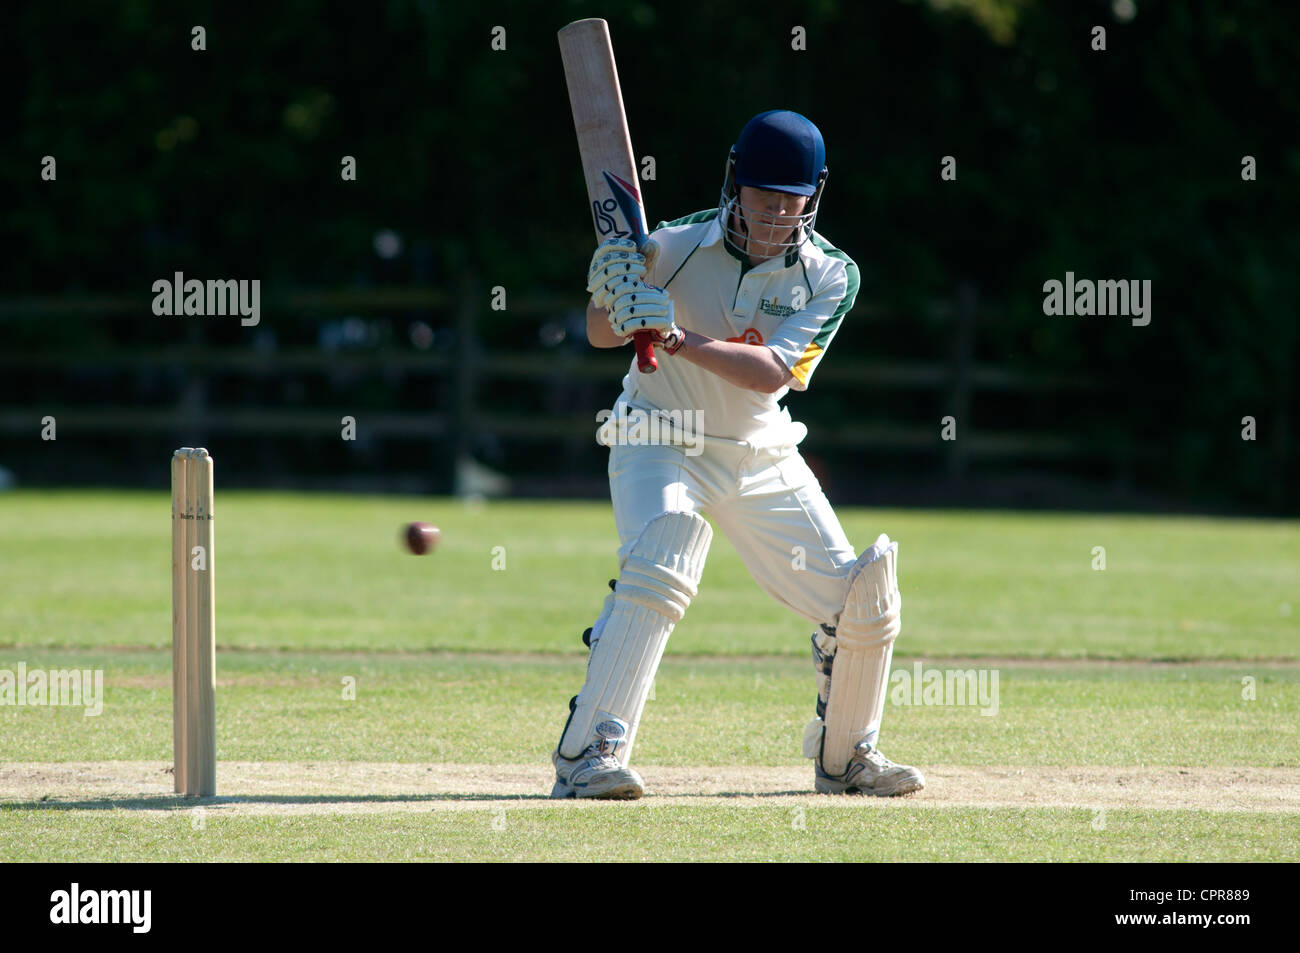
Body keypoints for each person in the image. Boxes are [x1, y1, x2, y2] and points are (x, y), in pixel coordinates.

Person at [550, 110, 925, 799]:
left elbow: (771, 372)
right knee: (661, 558)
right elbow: (602, 331)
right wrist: (611, 292)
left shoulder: (831, 274)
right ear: (735, 183)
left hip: (759, 450)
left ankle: (847, 756)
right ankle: (590, 754)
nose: (778, 212)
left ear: (814, 196)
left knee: (865, 598)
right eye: (764, 194)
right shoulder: (673, 244)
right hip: (659, 435)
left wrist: (675, 336)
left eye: (792, 198)